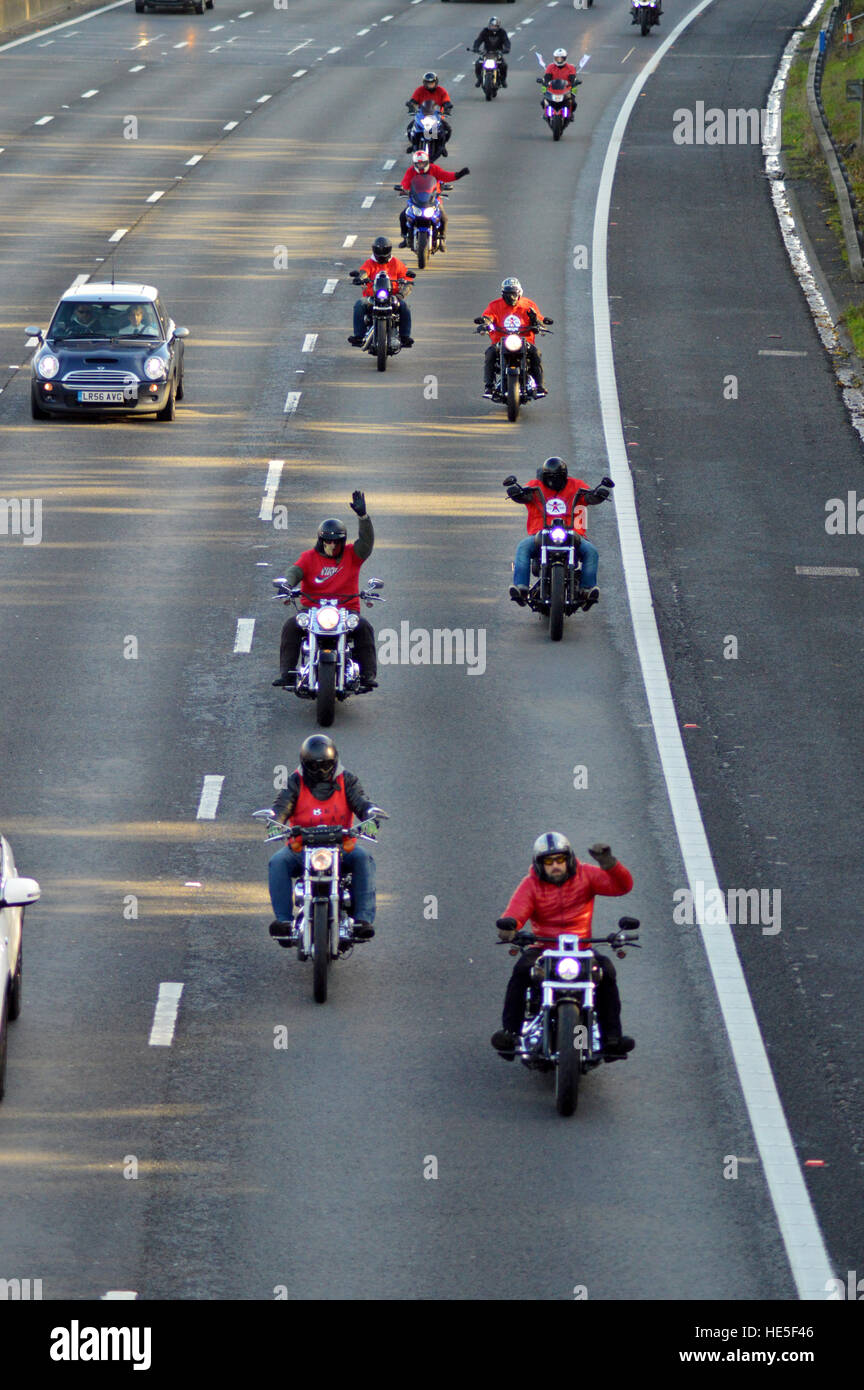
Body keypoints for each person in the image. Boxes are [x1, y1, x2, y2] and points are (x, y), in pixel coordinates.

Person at [492, 834, 636, 1058]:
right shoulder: (531, 884)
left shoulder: (586, 875)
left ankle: (612, 1038)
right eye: (548, 862)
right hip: (544, 947)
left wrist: (610, 864)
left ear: (568, 859)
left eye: (559, 859)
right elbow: (516, 911)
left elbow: (621, 887)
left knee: (606, 971)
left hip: (581, 948)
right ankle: (511, 1032)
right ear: (539, 865)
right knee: (522, 971)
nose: (555, 865)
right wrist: (511, 927)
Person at [266, 736, 385, 942]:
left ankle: (362, 921)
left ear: (334, 762)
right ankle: (284, 923)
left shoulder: (347, 780)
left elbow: (361, 801)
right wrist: (275, 821)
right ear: (305, 764)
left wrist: (370, 814)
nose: (320, 771)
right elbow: (281, 806)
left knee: (364, 858)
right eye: (314, 766)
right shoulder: (295, 781)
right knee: (277, 862)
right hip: (302, 847)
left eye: (325, 766)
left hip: (341, 846)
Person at [273, 493, 378, 691]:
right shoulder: (309, 557)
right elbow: (294, 571)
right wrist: (287, 584)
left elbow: (366, 543)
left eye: (336, 542)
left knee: (364, 628)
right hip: (312, 610)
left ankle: (367, 674)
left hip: (346, 610)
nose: (332, 545)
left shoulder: (352, 555)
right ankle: (287, 673)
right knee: (290, 626)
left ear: (342, 541)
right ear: (320, 540)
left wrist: (363, 518)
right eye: (327, 541)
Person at [505, 456, 611, 608]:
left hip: (572, 533)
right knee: (523, 547)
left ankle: (586, 589)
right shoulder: (535, 486)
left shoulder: (577, 485)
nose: (554, 481)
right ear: (543, 476)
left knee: (591, 551)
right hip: (541, 533)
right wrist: (516, 493)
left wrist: (599, 494)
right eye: (550, 478)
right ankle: (521, 587)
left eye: (558, 477)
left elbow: (589, 496)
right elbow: (524, 495)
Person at [478, 277, 550, 398]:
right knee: (490, 353)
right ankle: (489, 387)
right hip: (501, 341)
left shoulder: (528, 305)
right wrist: (485, 324)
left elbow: (539, 319)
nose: (511, 297)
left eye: (513, 294)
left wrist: (539, 324)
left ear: (519, 293)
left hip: (524, 341)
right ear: (503, 294)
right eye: (508, 294)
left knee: (536, 353)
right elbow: (488, 317)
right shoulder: (495, 305)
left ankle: (539, 386)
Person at [348, 237, 413, 346]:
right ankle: (359, 337)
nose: (381, 255)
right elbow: (363, 272)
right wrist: (360, 277)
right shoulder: (369, 263)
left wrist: (400, 295)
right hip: (372, 297)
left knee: (405, 306)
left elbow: (408, 280)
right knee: (359, 304)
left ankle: (405, 337)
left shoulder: (397, 263)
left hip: (393, 297)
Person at [398, 151, 469, 250]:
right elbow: (405, 183)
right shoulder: (411, 171)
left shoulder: (434, 169)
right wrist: (402, 190)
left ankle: (442, 239)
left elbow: (446, 175)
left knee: (444, 217)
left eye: (422, 163)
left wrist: (458, 175)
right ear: (414, 164)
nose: (421, 166)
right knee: (403, 216)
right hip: (415, 200)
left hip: (433, 200)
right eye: (418, 164)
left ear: (427, 162)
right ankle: (405, 238)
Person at [406, 71, 453, 154]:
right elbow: (413, 100)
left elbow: (446, 101)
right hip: (422, 115)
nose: (430, 85)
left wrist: (447, 108)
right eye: (428, 83)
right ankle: (413, 144)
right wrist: (411, 105)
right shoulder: (419, 90)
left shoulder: (441, 91)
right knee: (409, 128)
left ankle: (442, 146)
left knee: (448, 130)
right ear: (424, 83)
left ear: (436, 82)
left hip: (436, 116)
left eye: (432, 83)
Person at [473, 15, 511, 88]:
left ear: (498, 26)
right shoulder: (485, 31)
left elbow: (507, 41)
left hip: (498, 53)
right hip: (486, 53)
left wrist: (506, 49)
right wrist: (476, 48)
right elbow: (478, 40)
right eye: (491, 26)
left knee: (504, 65)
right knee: (478, 64)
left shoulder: (502, 32)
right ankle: (479, 79)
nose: (493, 27)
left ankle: (503, 80)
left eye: (495, 26)